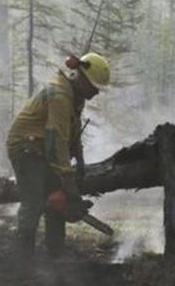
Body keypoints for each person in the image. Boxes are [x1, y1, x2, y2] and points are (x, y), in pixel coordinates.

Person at [6, 52, 111, 254]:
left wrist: (79, 160)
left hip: (41, 148)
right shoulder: (60, 95)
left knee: (57, 198)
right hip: (24, 146)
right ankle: (22, 257)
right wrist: (70, 186)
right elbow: (57, 141)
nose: (96, 93)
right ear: (80, 78)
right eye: (93, 87)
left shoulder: (75, 97)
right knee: (34, 199)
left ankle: (55, 253)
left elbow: (72, 130)